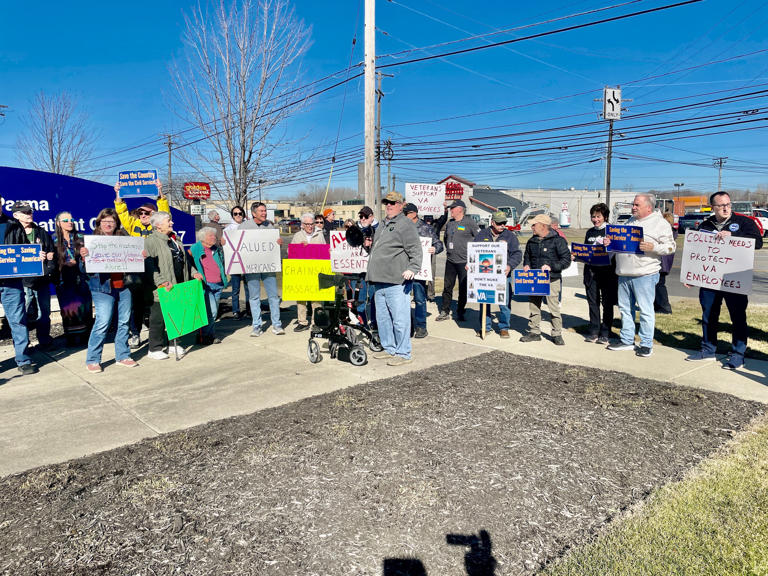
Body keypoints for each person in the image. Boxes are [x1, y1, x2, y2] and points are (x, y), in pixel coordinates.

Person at [686, 191, 763, 369]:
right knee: (708, 315)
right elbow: (698, 252)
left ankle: (738, 354)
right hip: (710, 279)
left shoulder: (744, 222)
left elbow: (757, 242)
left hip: (734, 278)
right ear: (712, 207)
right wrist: (691, 275)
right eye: (721, 205)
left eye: (728, 204)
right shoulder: (706, 224)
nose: (726, 208)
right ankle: (708, 349)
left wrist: (733, 236)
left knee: (737, 316)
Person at [606, 193, 675, 358]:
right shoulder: (630, 221)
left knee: (645, 310)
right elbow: (620, 245)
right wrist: (610, 244)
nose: (633, 207)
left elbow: (671, 247)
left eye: (637, 205)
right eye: (633, 204)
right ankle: (627, 340)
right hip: (623, 273)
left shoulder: (660, 223)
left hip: (645, 273)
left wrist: (653, 247)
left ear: (648, 207)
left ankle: (645, 344)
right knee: (624, 309)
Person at [365, 192, 422, 366]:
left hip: (396, 281)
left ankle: (404, 352)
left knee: (399, 319)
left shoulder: (405, 224)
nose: (388, 205)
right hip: (379, 279)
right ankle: (389, 348)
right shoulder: (383, 224)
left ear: (401, 205)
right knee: (383, 319)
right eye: (386, 203)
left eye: (392, 203)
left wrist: (413, 268)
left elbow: (415, 249)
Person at [79, 208, 138, 372]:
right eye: (105, 221)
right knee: (103, 322)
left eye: (111, 221)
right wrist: (84, 258)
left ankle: (123, 355)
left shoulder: (124, 239)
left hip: (124, 285)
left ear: (116, 223)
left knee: (124, 322)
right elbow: (84, 270)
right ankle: (93, 359)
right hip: (102, 287)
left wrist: (140, 255)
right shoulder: (92, 242)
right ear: (99, 223)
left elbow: (134, 259)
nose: (108, 224)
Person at [114, 179, 168, 349]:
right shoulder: (133, 225)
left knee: (156, 303)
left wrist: (160, 192)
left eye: (147, 213)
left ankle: (158, 333)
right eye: (141, 213)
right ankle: (135, 333)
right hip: (137, 272)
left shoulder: (158, 227)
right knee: (136, 304)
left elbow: (164, 211)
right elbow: (122, 213)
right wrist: (118, 194)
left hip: (156, 270)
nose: (143, 215)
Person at [144, 211, 203, 359]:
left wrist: (194, 273)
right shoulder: (150, 241)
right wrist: (160, 282)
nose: (172, 223)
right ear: (158, 225)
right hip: (162, 287)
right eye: (168, 221)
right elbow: (149, 265)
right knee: (158, 319)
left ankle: (173, 344)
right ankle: (154, 348)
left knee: (176, 316)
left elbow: (185, 263)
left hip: (178, 285)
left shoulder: (175, 241)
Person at [5, 201, 56, 349]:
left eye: (30, 211)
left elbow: (50, 251)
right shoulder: (11, 231)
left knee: (44, 312)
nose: (29, 214)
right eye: (25, 212)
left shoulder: (41, 232)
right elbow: (10, 255)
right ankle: (22, 345)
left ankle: (44, 340)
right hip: (21, 282)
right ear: (16, 215)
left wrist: (48, 256)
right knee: (21, 314)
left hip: (41, 279)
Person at [520, 214, 571, 345]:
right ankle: (534, 332)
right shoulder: (532, 240)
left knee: (553, 307)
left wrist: (552, 267)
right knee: (534, 306)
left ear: (542, 226)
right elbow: (527, 255)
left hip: (552, 279)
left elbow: (566, 260)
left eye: (534, 224)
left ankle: (557, 333)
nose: (532, 227)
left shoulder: (557, 240)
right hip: (535, 279)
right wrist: (527, 265)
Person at [472, 211, 522, 339]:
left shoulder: (510, 236)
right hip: (485, 274)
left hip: (503, 275)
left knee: (504, 302)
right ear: (492, 222)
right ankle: (485, 326)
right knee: (484, 300)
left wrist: (509, 265)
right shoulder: (481, 234)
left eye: (504, 223)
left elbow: (517, 254)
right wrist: (470, 263)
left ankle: (504, 327)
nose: (502, 225)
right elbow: (473, 252)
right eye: (499, 223)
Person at [0, 199, 36, 375]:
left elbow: (24, 250)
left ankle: (23, 359)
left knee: (18, 320)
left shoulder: (13, 224)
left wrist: (34, 256)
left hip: (11, 282)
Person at [239, 202, 284, 336]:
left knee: (273, 297)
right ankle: (257, 326)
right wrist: (225, 242)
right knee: (254, 297)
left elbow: (274, 248)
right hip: (251, 267)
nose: (264, 213)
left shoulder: (270, 226)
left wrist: (279, 244)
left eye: (265, 211)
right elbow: (235, 243)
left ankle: (277, 325)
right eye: (261, 211)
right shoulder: (244, 227)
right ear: (254, 213)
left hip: (268, 267)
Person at [403, 203, 444, 339]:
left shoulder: (426, 228)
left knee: (420, 299)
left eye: (407, 213)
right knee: (403, 300)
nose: (405, 216)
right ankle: (407, 326)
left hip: (419, 271)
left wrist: (434, 249)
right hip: (403, 269)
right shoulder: (402, 227)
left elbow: (439, 244)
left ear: (414, 214)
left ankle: (421, 327)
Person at [53, 211, 92, 346]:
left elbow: (93, 255)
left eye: (71, 219)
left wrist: (85, 256)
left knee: (84, 308)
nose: (70, 222)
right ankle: (71, 339)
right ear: (58, 223)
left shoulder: (82, 237)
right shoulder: (53, 240)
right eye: (65, 220)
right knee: (69, 309)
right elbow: (51, 262)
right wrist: (62, 263)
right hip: (64, 279)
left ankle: (86, 338)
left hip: (82, 278)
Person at [435, 199, 478, 322]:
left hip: (465, 262)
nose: (451, 211)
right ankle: (445, 310)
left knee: (463, 288)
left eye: (452, 208)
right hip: (451, 261)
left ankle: (460, 311)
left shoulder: (470, 223)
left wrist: (472, 259)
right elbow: (446, 238)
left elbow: (478, 240)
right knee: (447, 287)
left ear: (459, 209)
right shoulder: (450, 223)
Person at [581, 203, 618, 344]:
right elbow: (584, 250)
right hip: (591, 272)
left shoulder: (611, 231)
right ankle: (594, 330)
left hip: (608, 273)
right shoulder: (589, 232)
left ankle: (605, 332)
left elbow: (617, 251)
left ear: (605, 217)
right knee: (593, 303)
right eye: (593, 216)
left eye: (598, 216)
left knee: (607, 303)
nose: (595, 219)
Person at [189, 227, 228, 345]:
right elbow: (188, 260)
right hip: (206, 285)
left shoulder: (216, 249)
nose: (214, 238)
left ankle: (207, 334)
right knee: (212, 311)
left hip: (218, 284)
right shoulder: (196, 248)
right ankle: (206, 336)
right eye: (211, 236)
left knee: (213, 312)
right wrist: (194, 273)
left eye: (214, 236)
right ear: (203, 238)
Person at [292, 212, 326, 331]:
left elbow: (324, 252)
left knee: (316, 298)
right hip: (302, 271)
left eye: (311, 224)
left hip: (316, 271)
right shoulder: (297, 236)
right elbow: (291, 252)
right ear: (302, 224)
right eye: (307, 224)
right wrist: (300, 248)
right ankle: (302, 321)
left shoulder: (319, 235)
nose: (310, 226)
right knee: (301, 297)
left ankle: (316, 321)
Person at [222, 205, 250, 319]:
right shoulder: (228, 230)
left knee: (249, 288)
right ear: (232, 215)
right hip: (235, 262)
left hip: (248, 262)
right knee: (235, 288)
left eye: (240, 213)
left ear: (243, 214)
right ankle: (235, 310)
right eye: (235, 213)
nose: (238, 215)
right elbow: (224, 246)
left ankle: (249, 310)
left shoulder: (249, 227)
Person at [654, 212, 677, 315]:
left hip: (662, 264)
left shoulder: (669, 234)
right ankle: (657, 305)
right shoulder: (671, 233)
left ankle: (665, 307)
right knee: (656, 285)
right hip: (663, 264)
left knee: (660, 285)